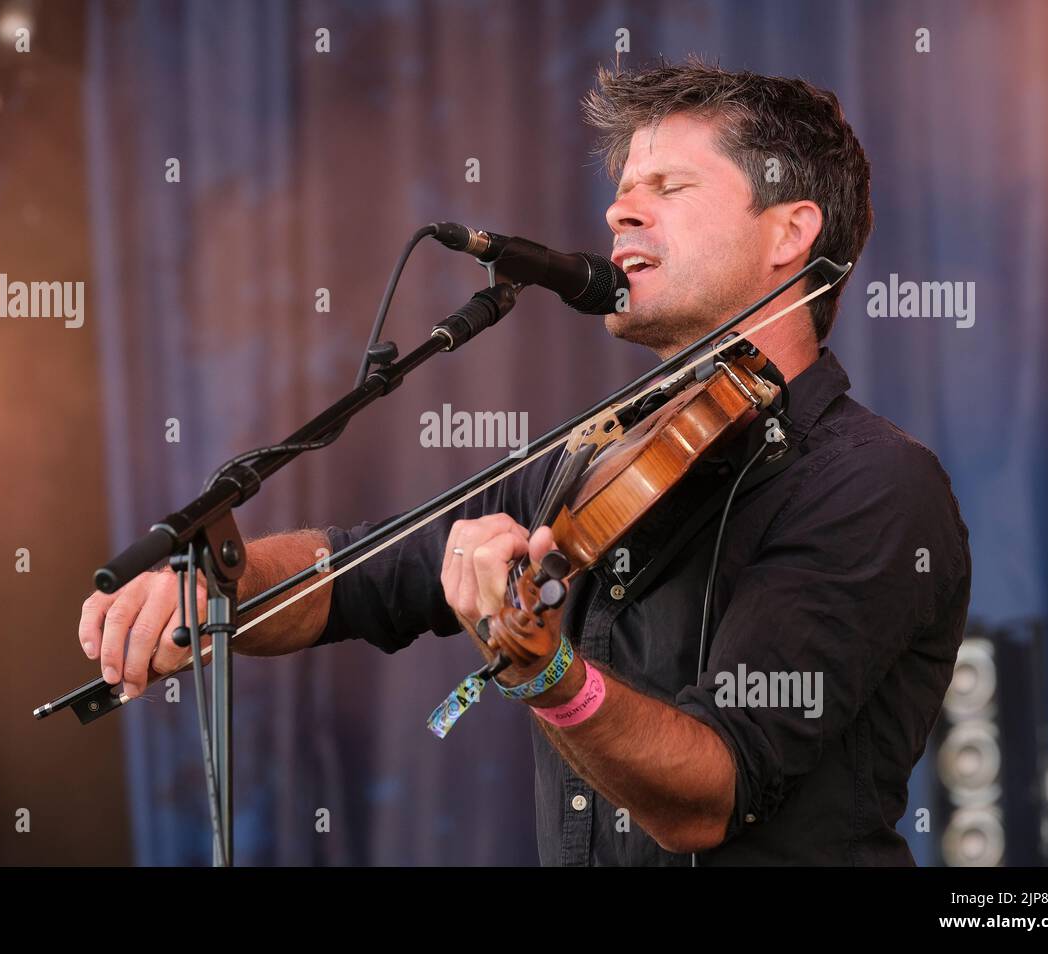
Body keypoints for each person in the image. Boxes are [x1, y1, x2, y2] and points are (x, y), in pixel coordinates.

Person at [77, 58, 970, 866]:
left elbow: (712, 792)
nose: (619, 211)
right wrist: (220, 587)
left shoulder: (871, 485)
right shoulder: (593, 455)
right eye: (622, 189)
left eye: (668, 186)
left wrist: (551, 676)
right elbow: (356, 575)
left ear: (789, 233)